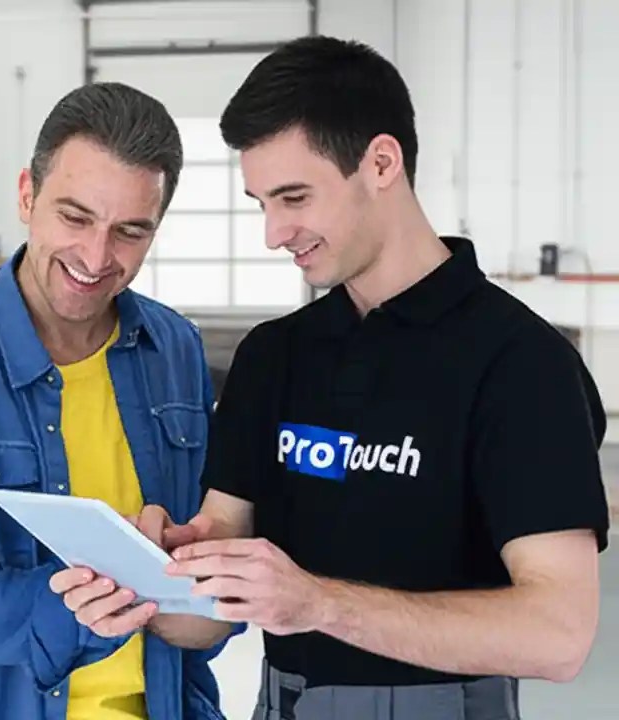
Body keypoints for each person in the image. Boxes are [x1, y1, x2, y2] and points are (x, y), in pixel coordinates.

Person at [51, 36, 610, 719]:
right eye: (262, 202)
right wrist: (151, 579)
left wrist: (319, 603)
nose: (274, 232)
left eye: (294, 197)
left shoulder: (521, 364)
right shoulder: (274, 356)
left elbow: (559, 636)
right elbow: (206, 614)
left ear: (381, 163)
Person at [0, 81, 239, 720]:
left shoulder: (175, 348)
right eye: (75, 217)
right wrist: (83, 608)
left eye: (130, 231)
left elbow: (205, 567)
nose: (97, 257)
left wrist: (207, 585)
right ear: (27, 195)